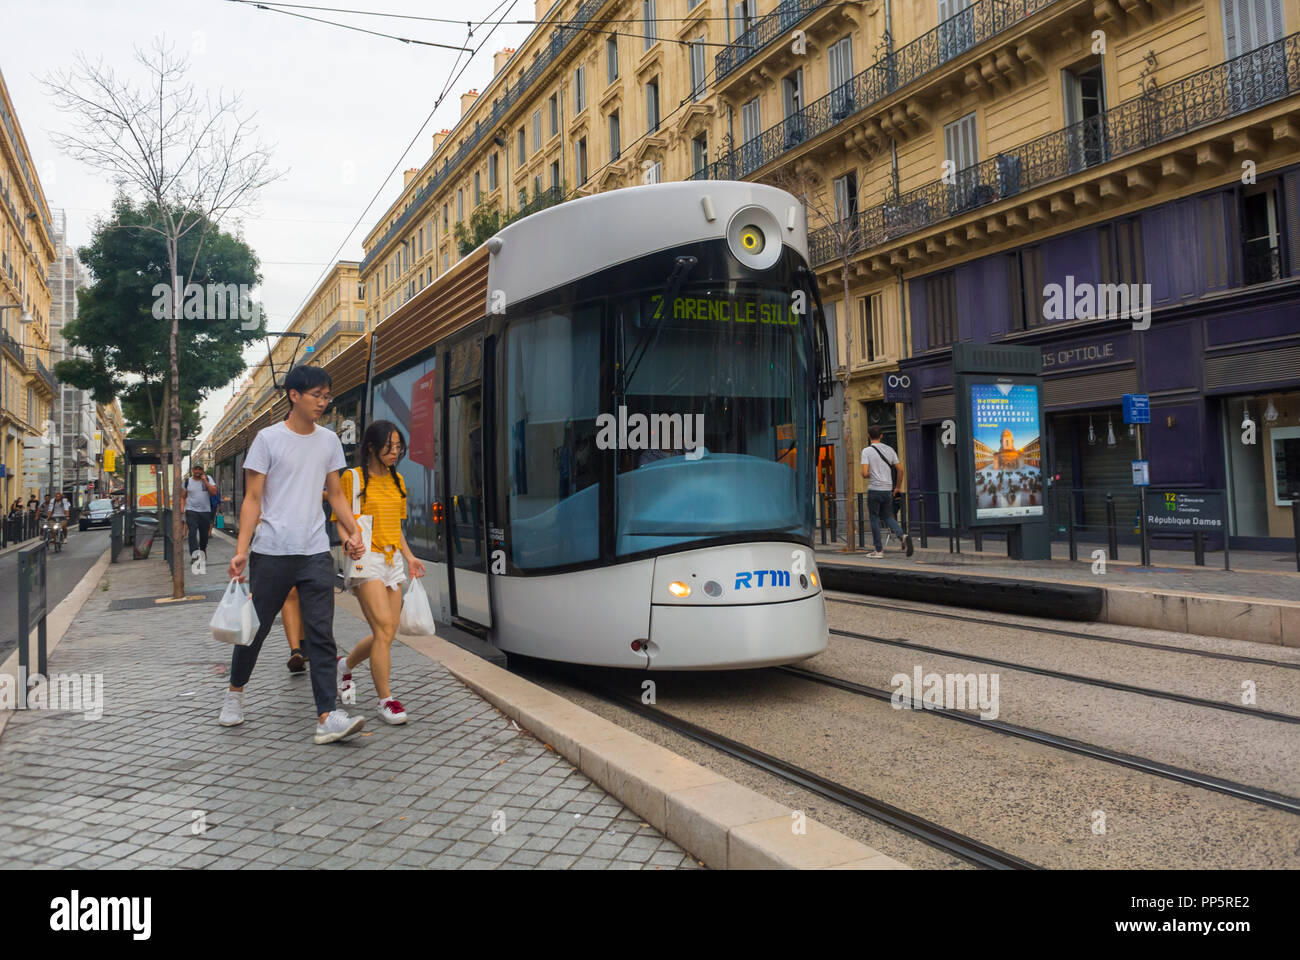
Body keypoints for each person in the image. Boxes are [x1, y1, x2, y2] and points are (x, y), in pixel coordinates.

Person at [220, 364, 369, 745]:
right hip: (271, 552)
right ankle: (235, 692)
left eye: (326, 396)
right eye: (317, 395)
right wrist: (241, 551)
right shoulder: (267, 440)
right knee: (255, 630)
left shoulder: (329, 441)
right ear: (294, 396)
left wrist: (353, 532)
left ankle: (326, 717)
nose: (323, 402)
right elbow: (253, 500)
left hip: (315, 551)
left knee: (321, 635)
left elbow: (335, 494)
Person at [333, 420, 426, 725]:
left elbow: (396, 527)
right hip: (366, 560)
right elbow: (340, 519)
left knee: (385, 632)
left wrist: (409, 557)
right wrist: (348, 541)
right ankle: (386, 700)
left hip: (392, 561)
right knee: (385, 627)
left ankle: (345, 665)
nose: (395, 452)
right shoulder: (354, 478)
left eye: (399, 446)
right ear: (371, 447)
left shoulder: (397, 480)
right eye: (390, 446)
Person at [860, 425, 911, 559]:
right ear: (881, 435)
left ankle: (878, 550)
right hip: (888, 489)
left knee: (874, 519)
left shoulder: (866, 451)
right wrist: (898, 487)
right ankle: (902, 535)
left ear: (868, 436)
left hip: (874, 490)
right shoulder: (890, 450)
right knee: (888, 516)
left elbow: (864, 473)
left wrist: (871, 474)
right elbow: (900, 470)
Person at [182, 464, 217, 559]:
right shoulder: (187, 481)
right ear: (192, 470)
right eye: (195, 469)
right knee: (192, 533)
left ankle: (202, 550)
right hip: (191, 510)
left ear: (202, 470)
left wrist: (205, 481)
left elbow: (214, 492)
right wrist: (182, 508)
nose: (197, 471)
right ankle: (195, 555)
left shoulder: (208, 478)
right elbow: (183, 496)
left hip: (205, 511)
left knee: (204, 534)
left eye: (200, 469)